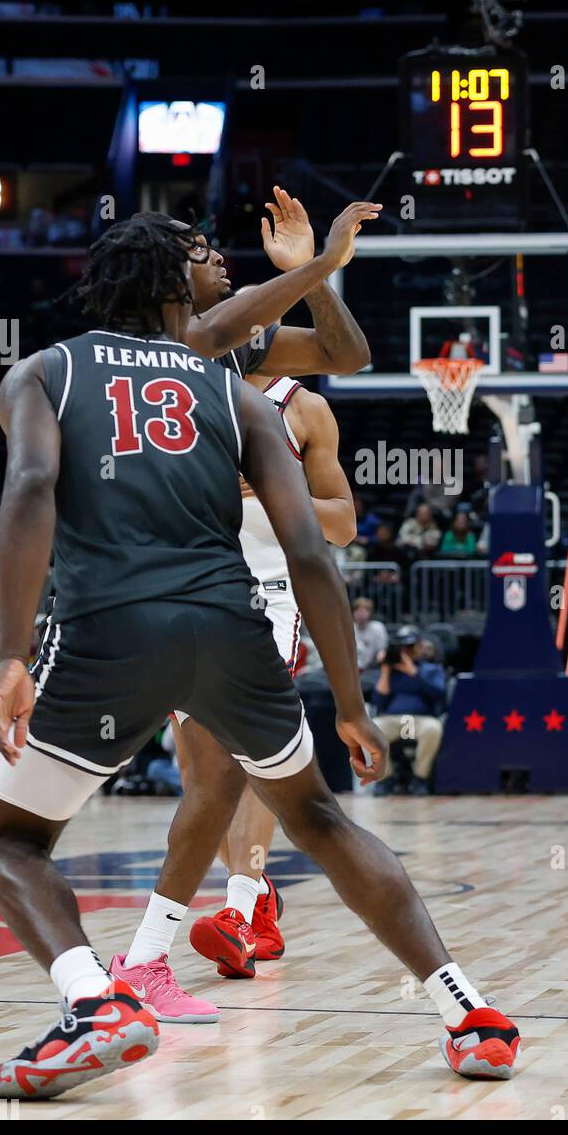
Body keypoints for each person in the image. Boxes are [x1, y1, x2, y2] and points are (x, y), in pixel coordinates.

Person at [0, 200, 517, 1099]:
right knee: (323, 821)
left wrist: (13, 655)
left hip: (109, 631)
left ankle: (93, 1002)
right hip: (233, 631)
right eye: (200, 253)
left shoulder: (43, 373)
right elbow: (311, 551)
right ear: (165, 284)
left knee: (11, 840)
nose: (219, 261)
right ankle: (469, 1011)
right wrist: (348, 701)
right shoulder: (230, 388)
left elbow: (29, 488)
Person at [179, 303, 358, 982]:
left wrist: (273, 492)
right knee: (203, 776)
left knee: (247, 757)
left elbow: (340, 524)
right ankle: (254, 900)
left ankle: (235, 905)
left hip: (266, 591)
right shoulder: (179, 392)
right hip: (185, 586)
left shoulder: (302, 408)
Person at [370, 626, 449, 795]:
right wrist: (385, 670)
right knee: (368, 730)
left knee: (433, 729)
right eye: (401, 647)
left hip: (421, 720)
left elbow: (438, 695)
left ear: (419, 646)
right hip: (392, 719)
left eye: (409, 646)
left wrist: (413, 672)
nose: (404, 651)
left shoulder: (431, 670)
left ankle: (420, 778)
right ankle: (386, 779)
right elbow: (378, 701)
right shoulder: (389, 672)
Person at [352, 596, 387, 670]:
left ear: (370, 613)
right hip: (351, 668)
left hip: (372, 668)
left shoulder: (378, 627)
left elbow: (381, 651)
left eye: (364, 611)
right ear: (353, 613)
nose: (361, 614)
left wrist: (379, 662)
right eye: (358, 610)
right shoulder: (348, 627)